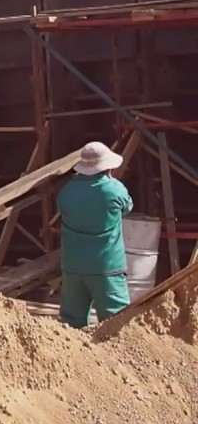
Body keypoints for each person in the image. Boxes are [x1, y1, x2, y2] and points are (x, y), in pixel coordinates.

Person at [57, 141, 134, 329]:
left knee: (70, 326)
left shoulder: (66, 191)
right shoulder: (114, 189)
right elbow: (127, 207)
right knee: (117, 325)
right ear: (108, 167)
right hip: (106, 267)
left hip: (73, 267)